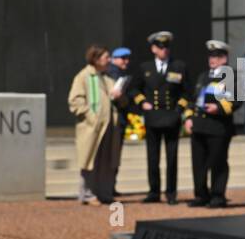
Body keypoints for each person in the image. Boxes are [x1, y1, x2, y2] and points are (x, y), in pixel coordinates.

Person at [133, 30, 188, 204]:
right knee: (152, 156)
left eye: (166, 47)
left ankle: (171, 193)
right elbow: (134, 89)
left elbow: (187, 92)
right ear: (153, 49)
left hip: (171, 117)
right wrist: (143, 103)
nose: (164, 50)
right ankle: (154, 191)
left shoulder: (178, 66)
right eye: (161, 47)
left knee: (172, 158)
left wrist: (179, 109)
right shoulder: (145, 68)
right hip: (153, 117)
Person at [67, 44, 121, 205]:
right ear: (96, 59)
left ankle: (104, 192)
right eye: (106, 57)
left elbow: (116, 100)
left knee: (106, 161)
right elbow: (75, 100)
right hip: (92, 128)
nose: (109, 60)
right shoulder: (83, 77)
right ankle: (88, 194)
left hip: (108, 127)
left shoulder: (107, 78)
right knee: (90, 160)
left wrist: (119, 96)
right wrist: (91, 116)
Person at [184, 40, 236, 207]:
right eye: (211, 56)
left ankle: (217, 196)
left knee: (218, 162)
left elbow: (237, 100)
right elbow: (193, 99)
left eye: (217, 56)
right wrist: (188, 118)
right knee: (198, 163)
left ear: (224, 58)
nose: (212, 59)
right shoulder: (203, 76)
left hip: (218, 127)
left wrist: (218, 108)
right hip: (199, 126)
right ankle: (201, 195)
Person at [107, 47, 134, 156]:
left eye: (127, 58)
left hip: (118, 118)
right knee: (113, 155)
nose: (126, 61)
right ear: (114, 59)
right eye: (123, 58)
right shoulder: (114, 73)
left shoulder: (119, 72)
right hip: (114, 119)